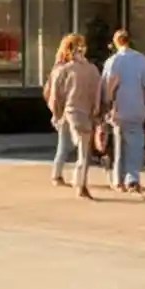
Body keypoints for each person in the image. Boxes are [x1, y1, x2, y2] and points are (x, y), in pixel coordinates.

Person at [44, 33, 103, 199]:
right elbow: (97, 96)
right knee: (83, 150)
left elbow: (54, 94)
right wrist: (96, 112)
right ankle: (80, 183)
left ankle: (58, 175)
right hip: (83, 113)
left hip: (67, 111)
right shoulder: (93, 70)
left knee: (64, 145)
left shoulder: (62, 69)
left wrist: (57, 114)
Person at [101, 29, 145, 193]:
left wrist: (107, 105)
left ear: (116, 42)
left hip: (119, 109)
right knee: (135, 145)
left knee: (119, 145)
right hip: (137, 108)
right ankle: (132, 179)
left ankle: (118, 180)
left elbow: (107, 87)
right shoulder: (142, 60)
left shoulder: (112, 61)